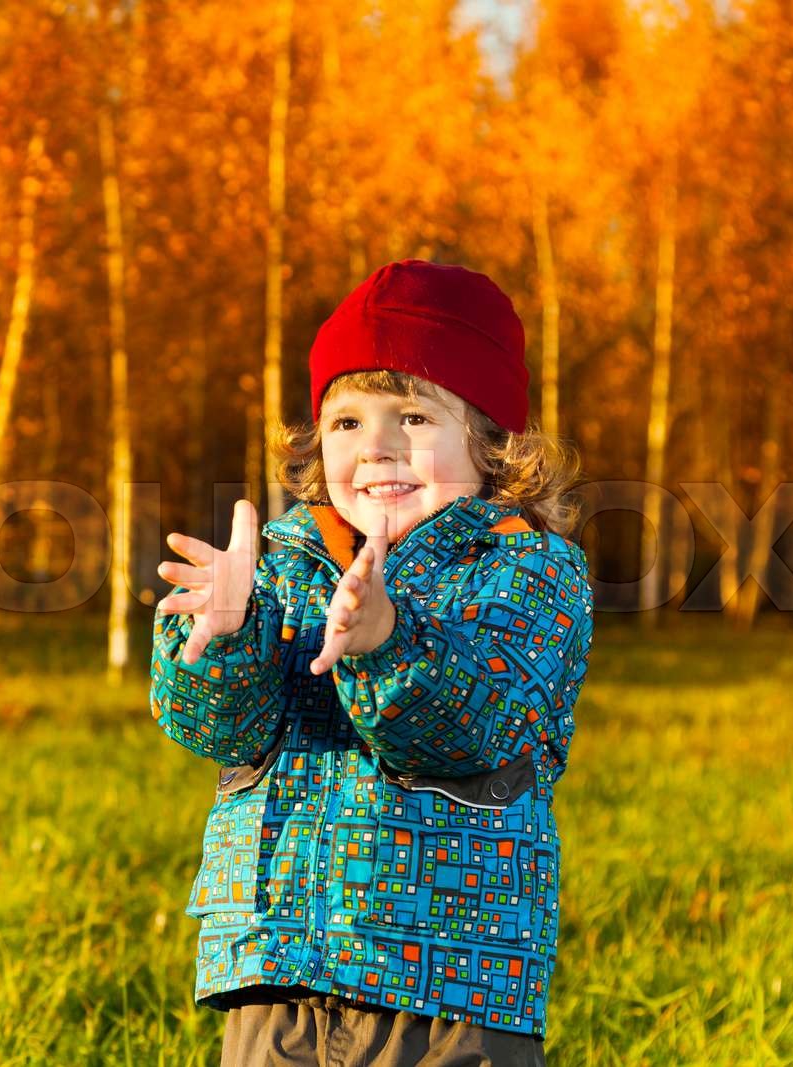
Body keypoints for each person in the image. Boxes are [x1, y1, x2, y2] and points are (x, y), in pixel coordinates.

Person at [150, 259, 595, 1065]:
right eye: (347, 421)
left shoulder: (528, 572)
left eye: (414, 416)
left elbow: (473, 729)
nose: (377, 447)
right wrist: (226, 635)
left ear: (491, 442)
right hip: (276, 968)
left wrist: (388, 638)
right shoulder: (286, 565)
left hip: (449, 987)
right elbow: (222, 729)